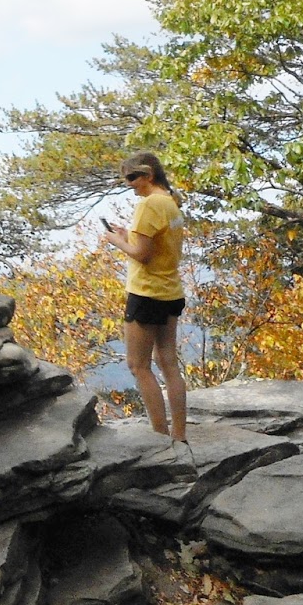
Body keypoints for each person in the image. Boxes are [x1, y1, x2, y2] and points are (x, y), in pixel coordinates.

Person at [101, 152, 191, 462]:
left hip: (146, 293)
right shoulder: (170, 202)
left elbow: (141, 255)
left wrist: (116, 241)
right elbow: (156, 246)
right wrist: (130, 236)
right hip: (170, 291)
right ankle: (179, 436)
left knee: (138, 366)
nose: (129, 186)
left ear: (147, 175)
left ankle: (159, 436)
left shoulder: (149, 204)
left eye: (131, 178)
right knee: (169, 362)